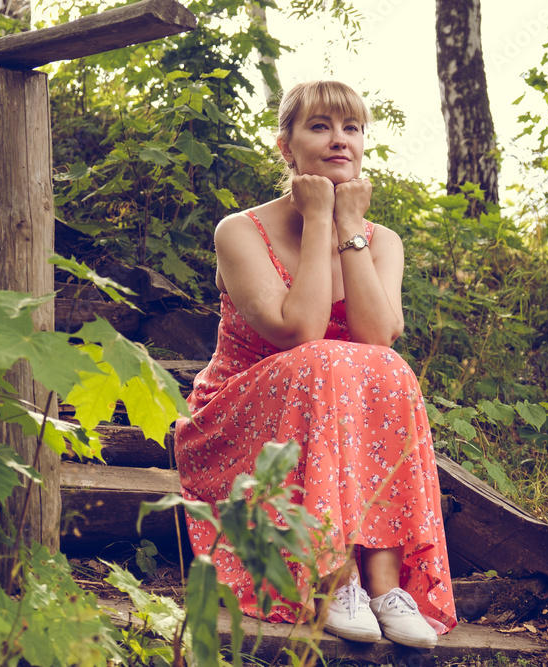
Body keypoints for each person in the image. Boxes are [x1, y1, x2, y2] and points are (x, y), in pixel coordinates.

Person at [173, 80, 457, 649]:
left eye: (351, 128)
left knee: (388, 368)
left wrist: (349, 226)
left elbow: (378, 338)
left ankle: (381, 586)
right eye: (320, 127)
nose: (339, 141)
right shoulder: (240, 231)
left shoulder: (382, 240)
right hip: (242, 414)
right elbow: (298, 332)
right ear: (286, 145)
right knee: (323, 357)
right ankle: (332, 577)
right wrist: (320, 218)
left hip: (330, 406)